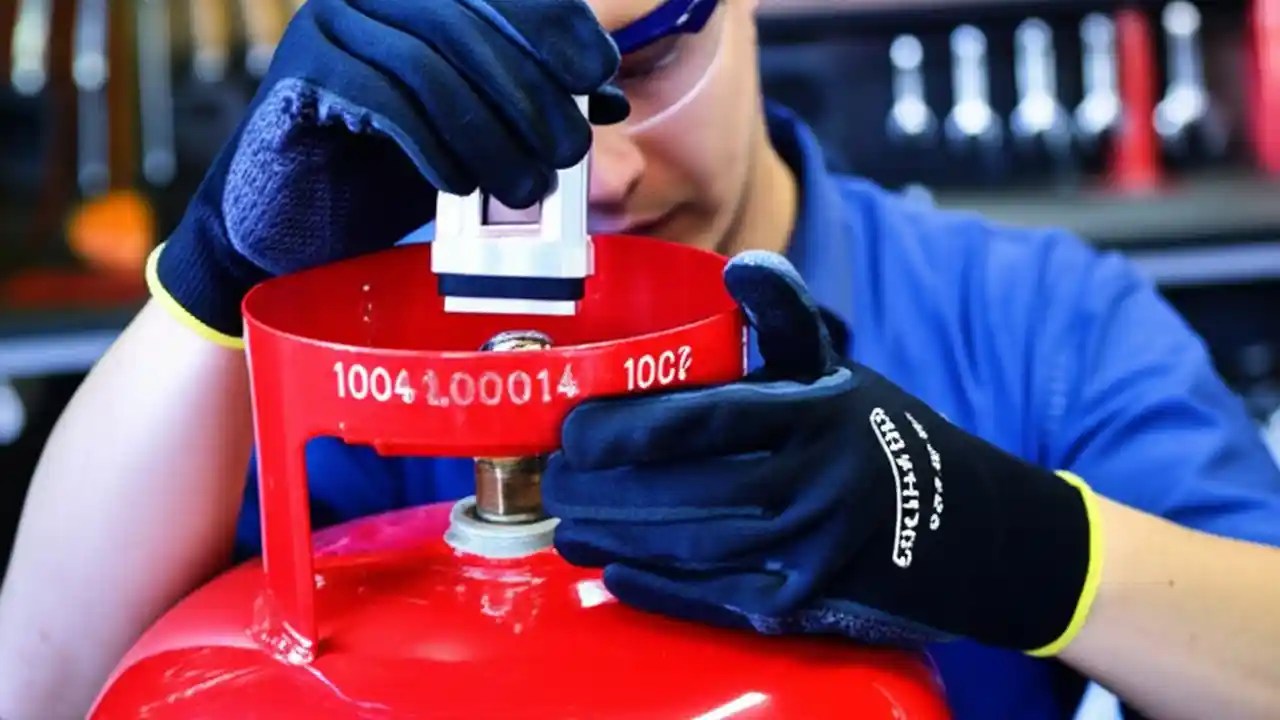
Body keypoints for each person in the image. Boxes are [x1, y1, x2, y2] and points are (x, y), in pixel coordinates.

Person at [1, 0, 1278, 718]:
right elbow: (45, 691)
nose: (598, 179)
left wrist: (1009, 544)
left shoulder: (1027, 322)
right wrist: (220, 280)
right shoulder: (335, 364)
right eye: (509, 121)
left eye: (646, 66)